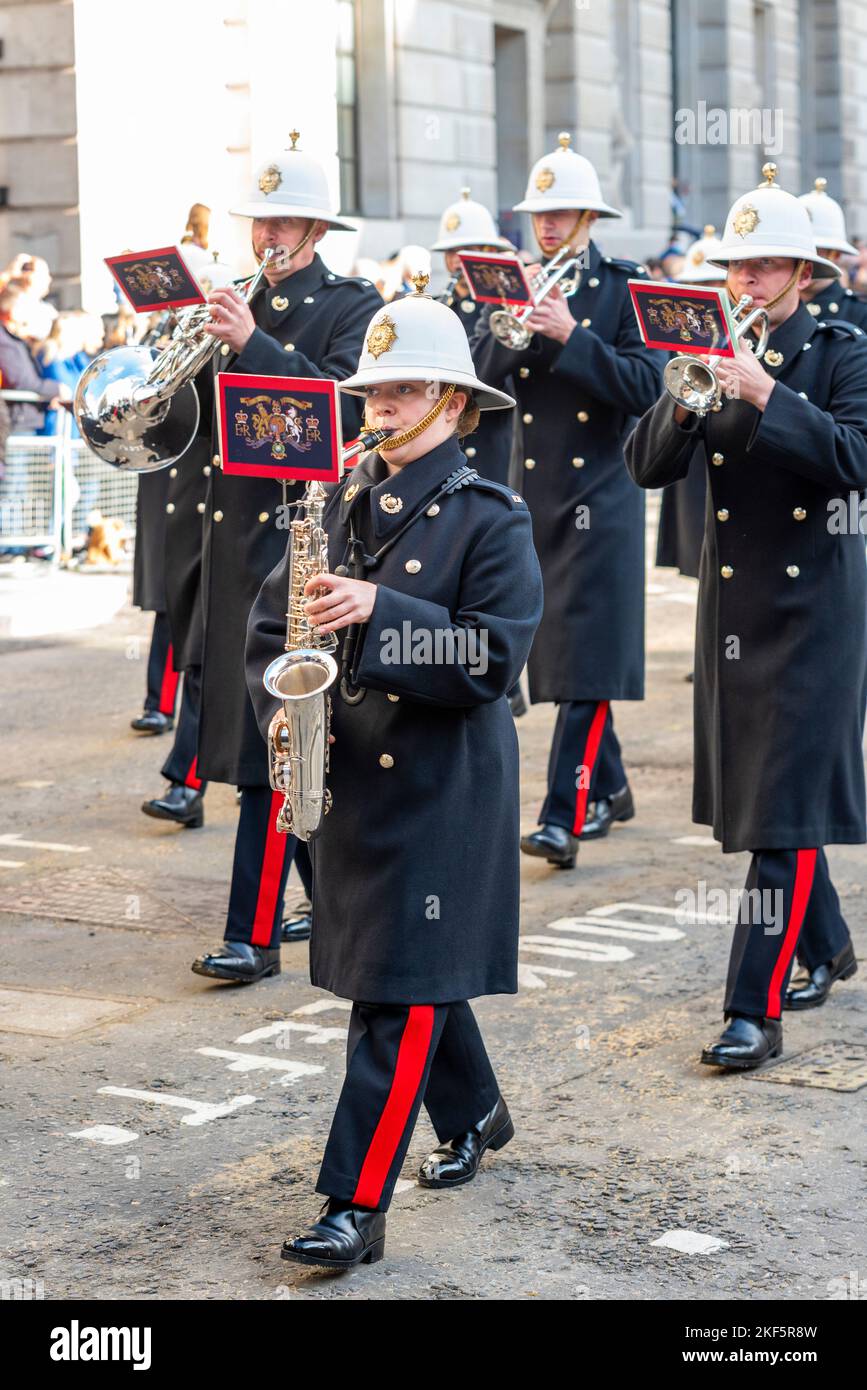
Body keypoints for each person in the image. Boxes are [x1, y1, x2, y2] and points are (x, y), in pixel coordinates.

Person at [246, 278, 543, 1269]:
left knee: (396, 995)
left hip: (441, 791)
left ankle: (354, 1205)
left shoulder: (491, 519)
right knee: (412, 975)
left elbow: (494, 660)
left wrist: (384, 611)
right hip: (347, 784)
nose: (380, 405)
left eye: (404, 389)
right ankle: (478, 1110)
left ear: (454, 404)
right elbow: (267, 633)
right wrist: (280, 724)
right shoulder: (330, 503)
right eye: (374, 389)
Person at [625, 164, 866, 1069]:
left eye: (768, 267)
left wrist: (769, 396)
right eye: (739, 266)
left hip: (815, 608)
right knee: (768, 796)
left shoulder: (842, 352)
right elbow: (645, 470)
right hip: (735, 605)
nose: (749, 283)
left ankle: (751, 1011)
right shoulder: (711, 350)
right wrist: (684, 402)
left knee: (781, 813)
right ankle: (830, 945)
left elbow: (854, 457)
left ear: (805, 275)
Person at [185, 130, 381, 982]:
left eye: (285, 224)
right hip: (230, 544)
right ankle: (343, 911)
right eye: (259, 224)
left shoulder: (353, 305)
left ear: (317, 231)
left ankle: (252, 933)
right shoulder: (234, 297)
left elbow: (341, 419)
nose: (267, 240)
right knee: (248, 741)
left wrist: (250, 347)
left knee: (275, 743)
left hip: (298, 544)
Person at [471, 132, 663, 868]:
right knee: (560, 655)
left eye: (563, 214)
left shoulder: (622, 286)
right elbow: (479, 388)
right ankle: (608, 785)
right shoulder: (508, 283)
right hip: (530, 498)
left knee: (583, 662)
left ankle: (562, 813)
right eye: (538, 214)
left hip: (603, 497)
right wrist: (508, 323)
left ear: (590, 218)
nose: (547, 227)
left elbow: (649, 389)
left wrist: (571, 334)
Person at [655, 227, 726, 592]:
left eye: (713, 284)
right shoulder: (682, 332)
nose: (703, 296)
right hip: (691, 453)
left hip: (725, 447)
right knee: (697, 549)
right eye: (696, 287)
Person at [798, 178, 867, 331]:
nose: (801, 260)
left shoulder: (860, 313)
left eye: (814, 251)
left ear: (835, 255)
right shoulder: (773, 309)